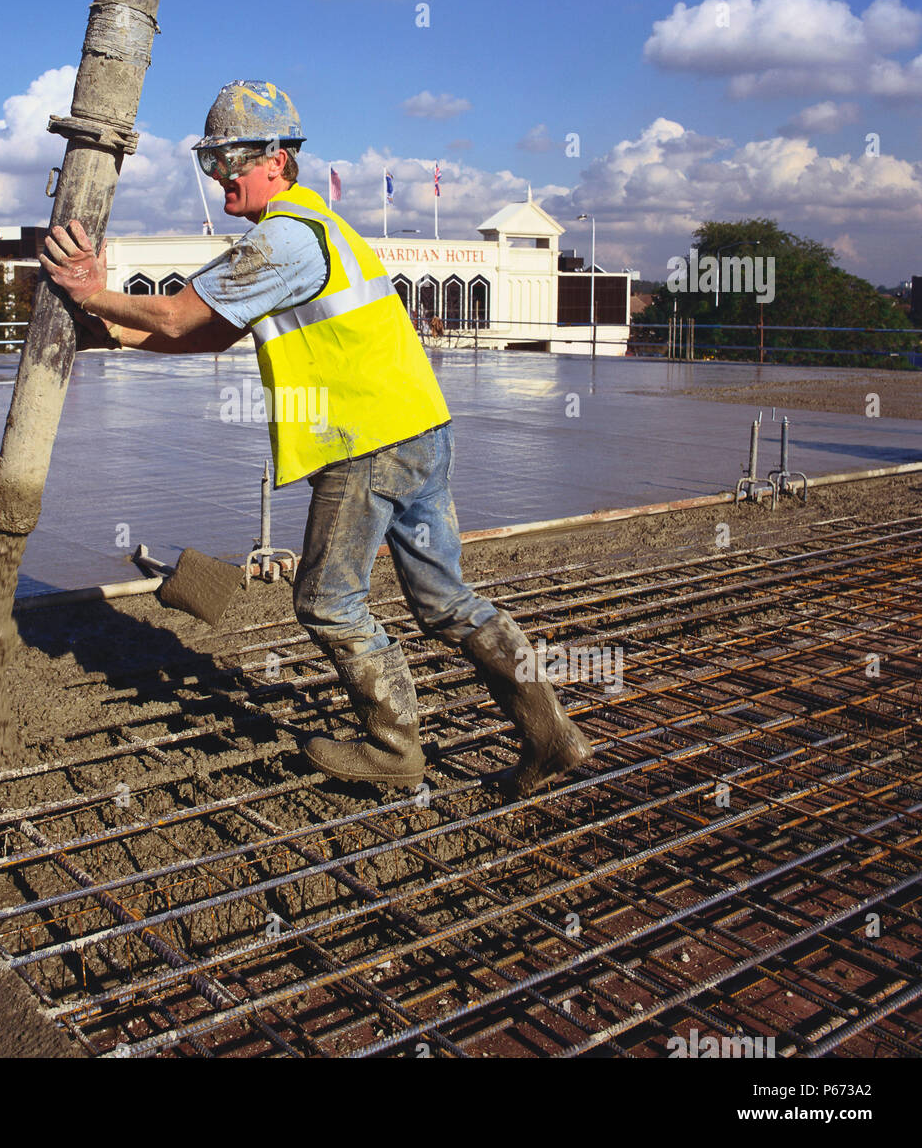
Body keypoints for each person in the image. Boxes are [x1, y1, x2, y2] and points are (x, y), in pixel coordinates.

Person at [41, 80, 591, 796]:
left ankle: (394, 748)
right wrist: (111, 330)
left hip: (365, 442)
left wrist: (88, 292)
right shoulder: (312, 232)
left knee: (326, 602)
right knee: (446, 603)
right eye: (209, 163)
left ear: (276, 159)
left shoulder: (284, 239)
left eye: (229, 161)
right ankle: (552, 736)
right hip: (416, 432)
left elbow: (176, 317)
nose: (220, 178)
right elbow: (206, 334)